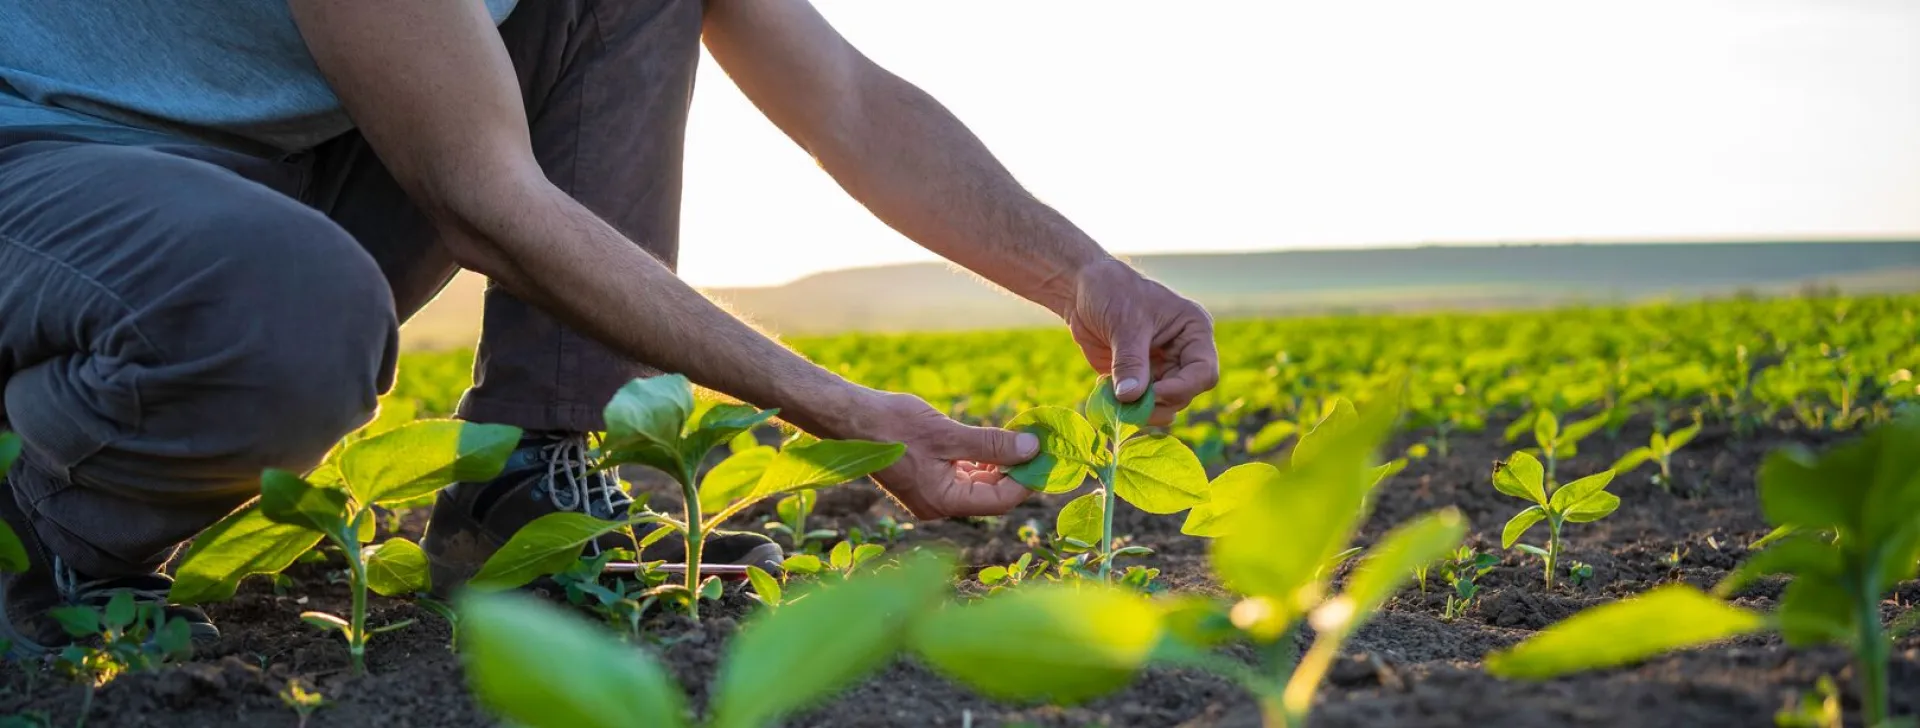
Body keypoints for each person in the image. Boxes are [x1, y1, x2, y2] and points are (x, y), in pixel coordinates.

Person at [0, 0, 1219, 654]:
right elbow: (491, 202)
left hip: (262, 168)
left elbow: (844, 95)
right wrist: (847, 417)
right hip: (46, 173)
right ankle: (45, 530)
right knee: (281, 311)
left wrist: (1082, 275)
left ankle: (530, 482)